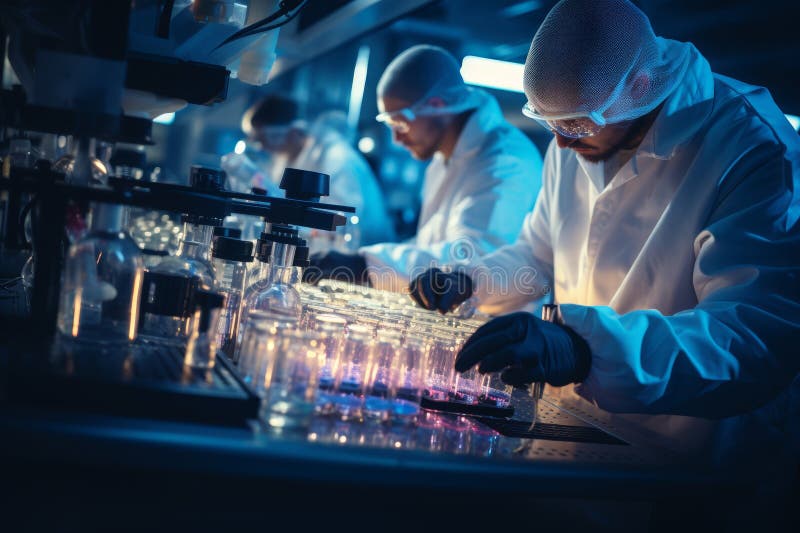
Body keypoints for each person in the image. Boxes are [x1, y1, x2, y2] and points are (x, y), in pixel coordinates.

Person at [410, 0, 800, 526]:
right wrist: (470, 278)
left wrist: (584, 349)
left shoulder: (752, 147)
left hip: (688, 467)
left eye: (573, 125)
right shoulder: (572, 140)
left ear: (642, 90)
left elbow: (749, 339)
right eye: (552, 125)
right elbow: (536, 253)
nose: (561, 143)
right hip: (580, 436)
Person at [304, 45, 544, 290]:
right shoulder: (445, 157)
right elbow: (430, 243)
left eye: (400, 124)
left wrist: (365, 264)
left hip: (493, 321)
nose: (397, 139)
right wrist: (367, 262)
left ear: (438, 105)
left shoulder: (504, 160)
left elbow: (472, 255)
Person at [221, 94, 395, 247]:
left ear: (293, 131)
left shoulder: (336, 158)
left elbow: (343, 224)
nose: (262, 147)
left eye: (264, 139)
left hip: (360, 258)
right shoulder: (285, 157)